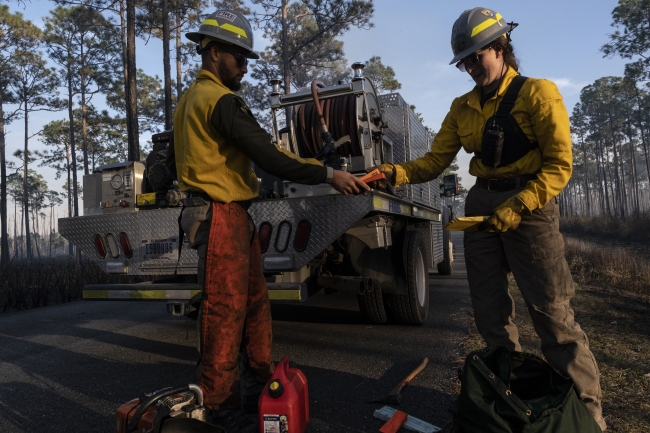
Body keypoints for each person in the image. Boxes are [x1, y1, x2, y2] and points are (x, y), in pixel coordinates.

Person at [375, 7, 606, 431]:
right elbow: (433, 161)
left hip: (530, 206)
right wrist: (391, 173)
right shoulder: (462, 107)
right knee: (490, 315)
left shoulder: (538, 93)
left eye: (475, 56)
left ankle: (588, 417)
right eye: (463, 61)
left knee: (552, 315)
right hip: (481, 206)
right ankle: (510, 404)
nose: (469, 67)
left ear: (500, 48)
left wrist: (518, 206)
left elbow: (559, 165)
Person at [174, 10, 369, 432]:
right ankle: (223, 409)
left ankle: (257, 394)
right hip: (220, 213)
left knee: (255, 308)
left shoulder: (190, 99)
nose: (244, 66)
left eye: (247, 59)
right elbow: (269, 156)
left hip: (231, 213)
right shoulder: (218, 100)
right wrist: (327, 173)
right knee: (225, 313)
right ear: (213, 53)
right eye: (239, 57)